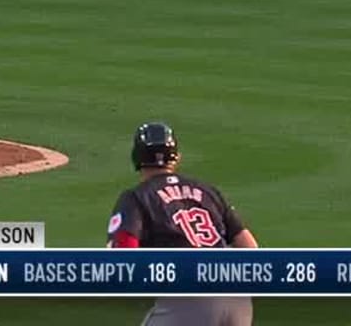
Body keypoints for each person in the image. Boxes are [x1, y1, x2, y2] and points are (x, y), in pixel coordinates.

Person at [108, 122, 259, 325]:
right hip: (237, 301)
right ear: (176, 157)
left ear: (137, 157)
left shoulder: (137, 197)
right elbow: (250, 247)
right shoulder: (208, 191)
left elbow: (123, 258)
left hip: (188, 300)